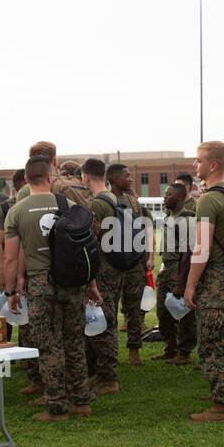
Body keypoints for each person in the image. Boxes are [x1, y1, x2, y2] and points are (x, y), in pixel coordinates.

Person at [4, 155, 100, 421]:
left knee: (48, 347)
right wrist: (91, 284)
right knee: (74, 342)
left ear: (25, 180)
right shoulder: (68, 204)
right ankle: (81, 402)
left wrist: (12, 290)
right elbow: (85, 248)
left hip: (39, 284)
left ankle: (56, 405)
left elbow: (11, 257)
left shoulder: (17, 211)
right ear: (50, 177)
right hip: (71, 282)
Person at [184, 141, 224, 421]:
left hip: (217, 279)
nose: (195, 166)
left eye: (199, 161)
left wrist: (190, 285)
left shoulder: (209, 199)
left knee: (214, 343)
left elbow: (202, 247)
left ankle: (222, 405)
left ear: (212, 165)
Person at [88, 163, 153, 387]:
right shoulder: (104, 201)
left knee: (133, 308)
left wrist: (147, 255)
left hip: (133, 262)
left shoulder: (133, 201)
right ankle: (108, 359)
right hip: (110, 264)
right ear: (114, 178)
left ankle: (134, 349)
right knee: (108, 312)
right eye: (126, 176)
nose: (131, 179)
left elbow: (145, 227)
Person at [0, 168, 40, 394]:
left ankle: (35, 373)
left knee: (30, 326)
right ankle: (10, 359)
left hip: (30, 275)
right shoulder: (6, 209)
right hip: (28, 274)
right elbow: (0, 243)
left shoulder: (23, 209)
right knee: (16, 320)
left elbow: (14, 251)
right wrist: (5, 274)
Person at [155, 182, 197, 364]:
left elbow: (188, 253)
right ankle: (170, 348)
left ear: (180, 197)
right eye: (165, 194)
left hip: (179, 269)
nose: (165, 197)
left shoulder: (187, 219)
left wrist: (181, 282)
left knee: (182, 312)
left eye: (169, 194)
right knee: (162, 311)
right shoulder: (168, 217)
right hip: (166, 268)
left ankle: (185, 351)